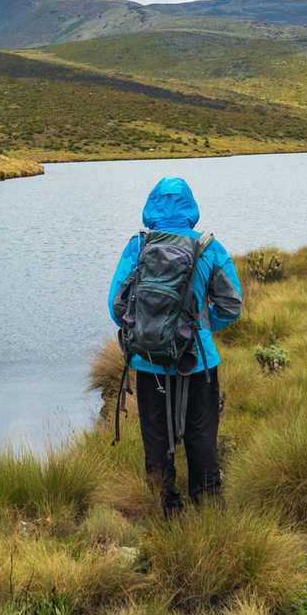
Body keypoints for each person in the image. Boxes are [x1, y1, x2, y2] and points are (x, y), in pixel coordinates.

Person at [108, 176, 243, 514]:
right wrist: (202, 329)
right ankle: (208, 506)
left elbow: (117, 306)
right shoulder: (209, 247)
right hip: (197, 360)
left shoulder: (137, 246)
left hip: (148, 362)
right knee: (201, 433)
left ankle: (164, 507)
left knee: (156, 437)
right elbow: (231, 305)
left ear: (151, 205)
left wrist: (148, 332)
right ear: (191, 208)